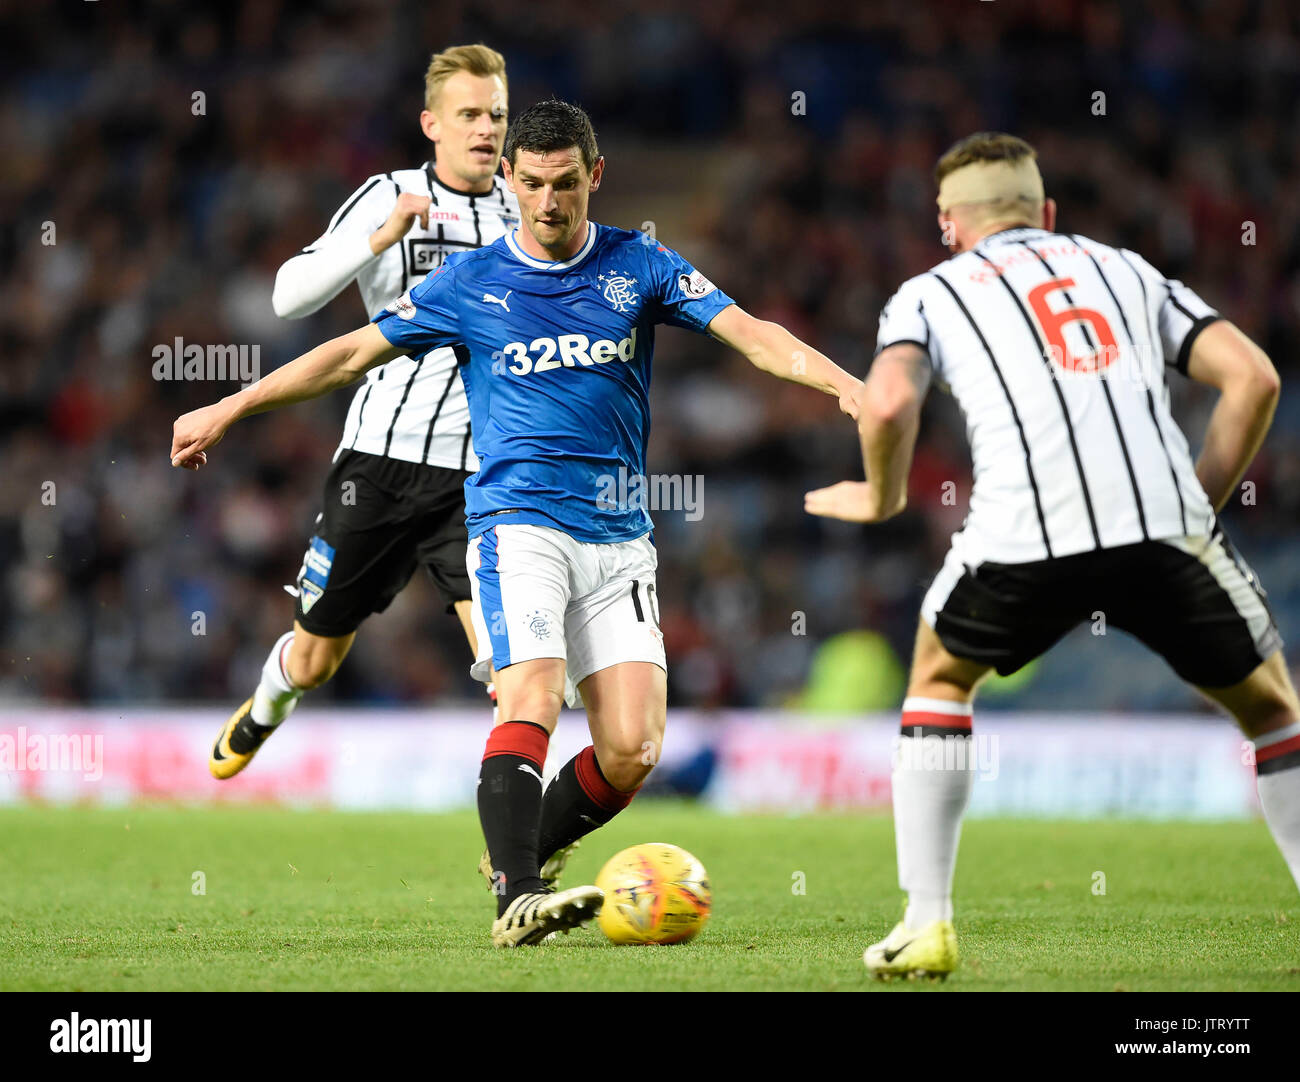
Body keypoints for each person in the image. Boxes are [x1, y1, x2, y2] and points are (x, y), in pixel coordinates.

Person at [171, 99, 863, 946]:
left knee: (633, 751)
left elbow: (753, 334)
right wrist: (231, 405)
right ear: (509, 178)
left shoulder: (638, 265)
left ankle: (528, 850)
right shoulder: (470, 284)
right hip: (514, 524)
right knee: (527, 691)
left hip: (618, 537)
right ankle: (517, 899)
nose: (547, 201)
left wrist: (848, 389)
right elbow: (350, 352)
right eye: (530, 183)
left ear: (594, 177)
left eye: (565, 183)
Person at [806, 131, 1299, 981]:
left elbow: (886, 407)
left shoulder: (931, 290)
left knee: (938, 679)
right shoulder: (1128, 270)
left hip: (1022, 531)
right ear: (1049, 214)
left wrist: (880, 497)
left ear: (949, 226)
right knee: (1274, 713)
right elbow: (1253, 377)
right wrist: (1194, 506)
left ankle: (926, 923)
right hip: (1164, 526)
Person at [208, 44, 519, 781]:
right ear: (432, 124)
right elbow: (289, 298)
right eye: (469, 114)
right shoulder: (388, 195)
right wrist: (377, 241)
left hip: (483, 476)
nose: (485, 129)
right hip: (380, 463)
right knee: (315, 658)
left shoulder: (525, 207)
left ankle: (519, 846)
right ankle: (266, 706)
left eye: (497, 115)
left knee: (511, 669)